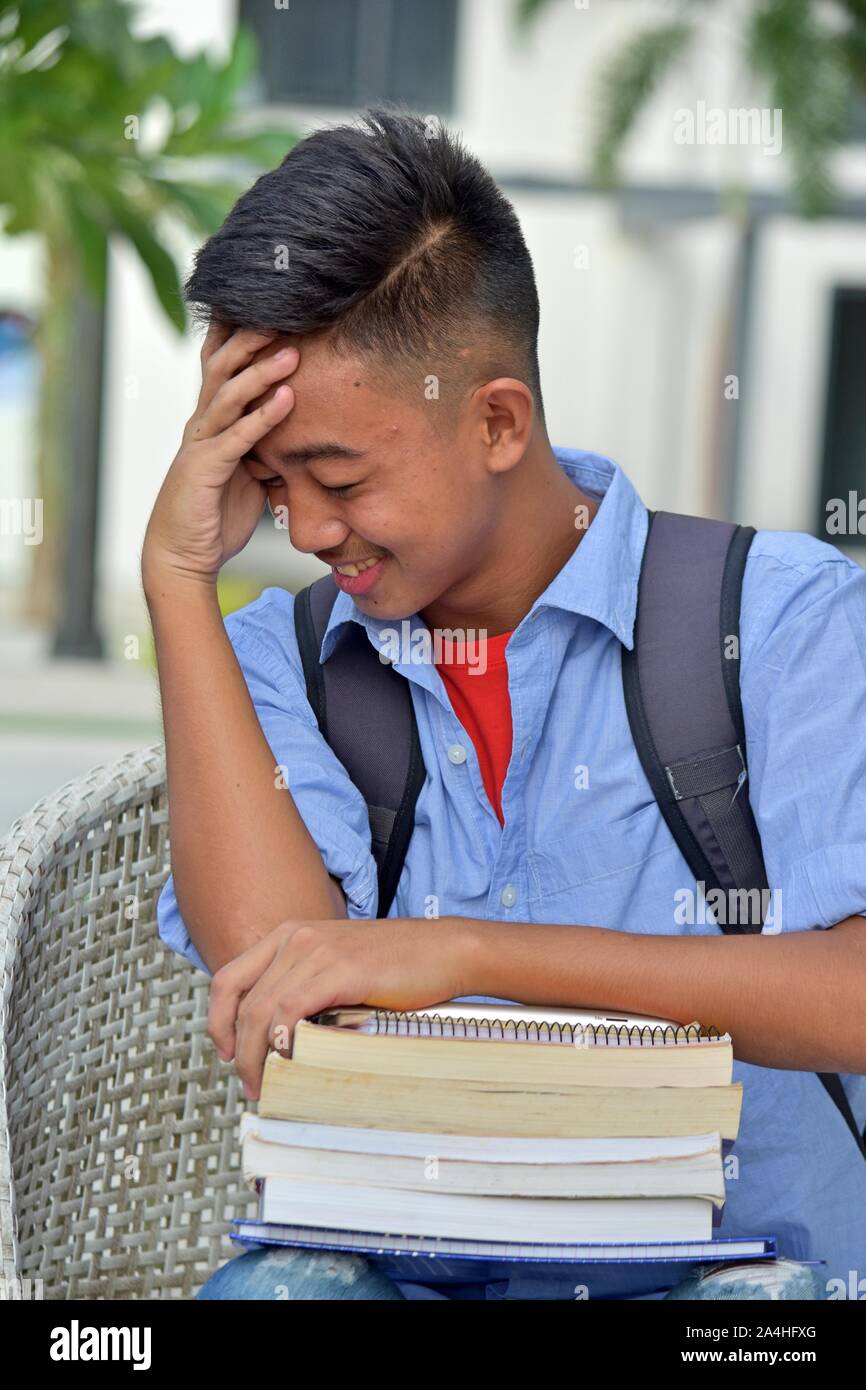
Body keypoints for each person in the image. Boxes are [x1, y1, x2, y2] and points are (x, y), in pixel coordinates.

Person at [142, 107, 866, 1302]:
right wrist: (175, 582)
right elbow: (273, 976)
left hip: (736, 1275)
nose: (309, 531)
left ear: (493, 419)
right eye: (270, 485)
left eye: (337, 477)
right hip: (397, 1271)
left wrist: (470, 952)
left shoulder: (778, 617)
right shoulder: (282, 653)